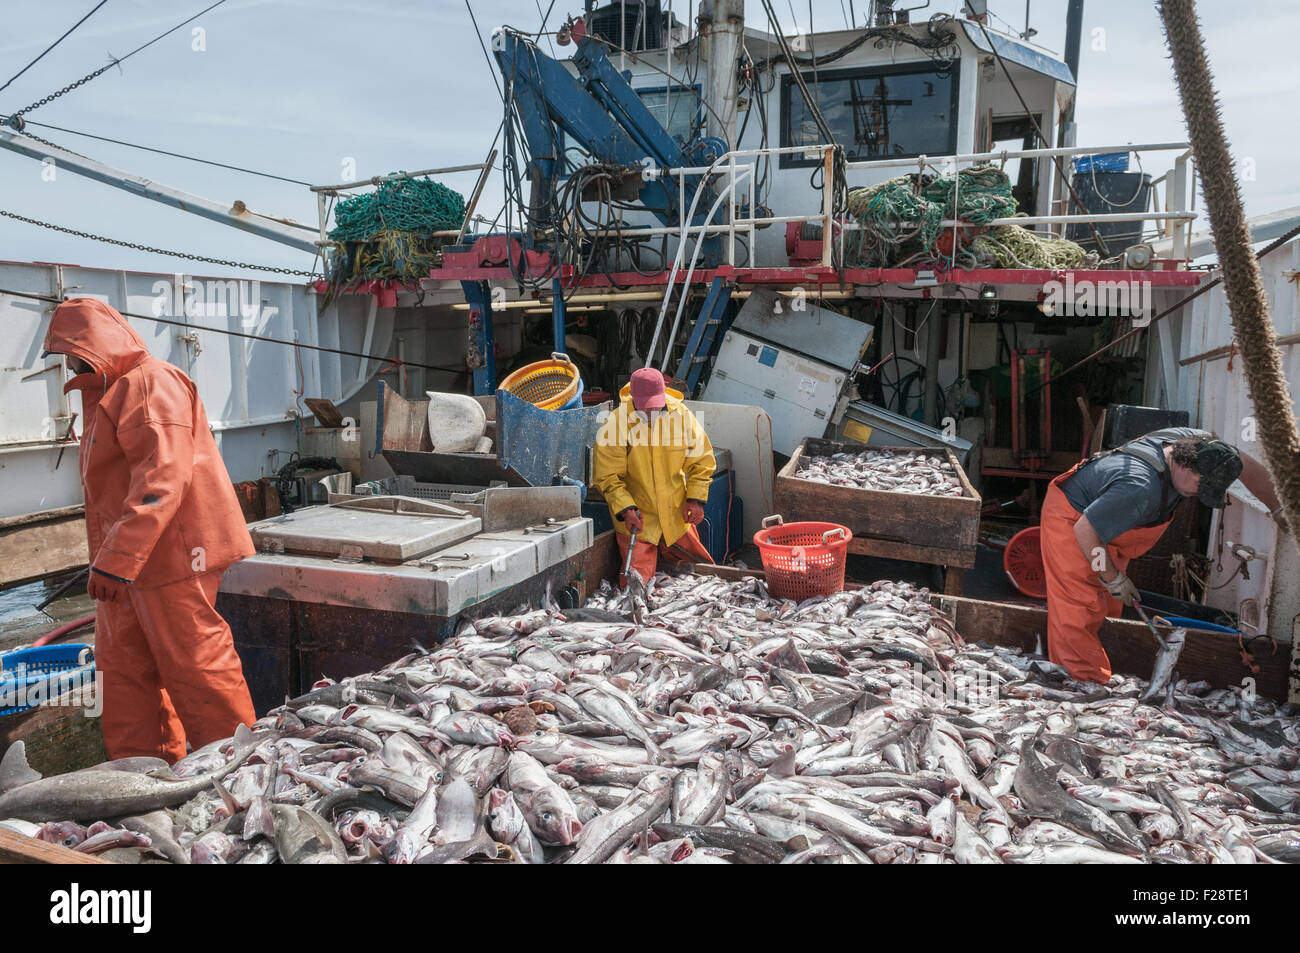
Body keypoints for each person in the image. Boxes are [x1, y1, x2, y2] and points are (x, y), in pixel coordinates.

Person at [41, 298, 257, 763]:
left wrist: (116, 563)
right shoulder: (110, 391)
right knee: (122, 671)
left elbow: (161, 481)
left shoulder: (148, 382)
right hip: (131, 565)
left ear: (90, 345)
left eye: (71, 351)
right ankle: (141, 778)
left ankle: (242, 769)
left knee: (197, 664)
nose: (70, 362)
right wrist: (114, 565)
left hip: (173, 557)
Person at [1040, 425, 1280, 684]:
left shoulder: (1206, 448)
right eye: (1201, 485)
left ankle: (1101, 665)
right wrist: (1113, 578)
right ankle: (1082, 687)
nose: (1199, 494)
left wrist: (1279, 509)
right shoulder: (1139, 487)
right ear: (1185, 466)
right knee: (1080, 606)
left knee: (1108, 605)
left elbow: (1248, 468)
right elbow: (1086, 531)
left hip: (1108, 518)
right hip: (1075, 522)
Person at [592, 367, 716, 586]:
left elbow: (702, 461)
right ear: (634, 399)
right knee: (634, 585)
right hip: (638, 519)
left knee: (707, 578)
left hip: (677, 515)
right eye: (645, 408)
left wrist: (696, 499)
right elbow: (608, 476)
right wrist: (626, 509)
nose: (651, 412)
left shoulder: (682, 415)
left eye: (656, 406)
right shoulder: (616, 423)